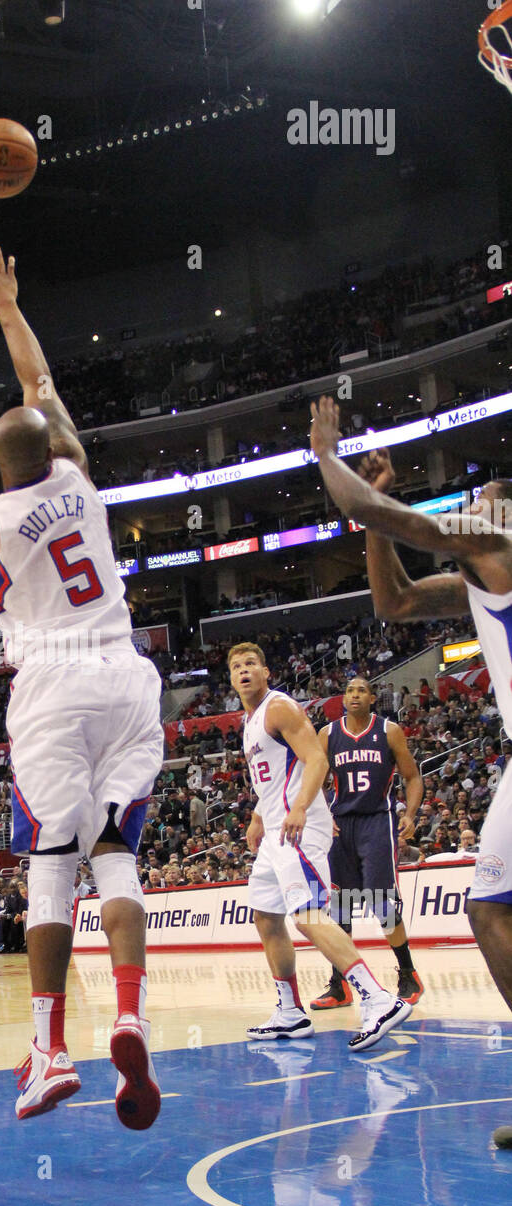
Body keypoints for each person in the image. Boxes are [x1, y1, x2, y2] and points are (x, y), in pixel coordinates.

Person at [0, 244, 165, 1129]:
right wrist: (7, 307)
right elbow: (39, 386)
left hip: (56, 690)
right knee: (114, 853)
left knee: (46, 865)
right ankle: (130, 1012)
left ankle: (48, 1049)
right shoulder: (75, 471)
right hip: (128, 678)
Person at [311, 395, 512, 1147]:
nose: (472, 506)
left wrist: (329, 459)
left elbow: (403, 523)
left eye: (482, 499)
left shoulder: (498, 545)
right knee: (488, 911)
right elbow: (392, 602)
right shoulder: (486, 576)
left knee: (491, 912)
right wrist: (373, 515)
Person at [229, 642, 411, 1052]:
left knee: (308, 914)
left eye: (252, 664)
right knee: (266, 916)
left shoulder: (279, 707)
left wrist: (299, 808)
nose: (244, 671)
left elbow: (316, 760)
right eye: (237, 666)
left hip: (298, 825)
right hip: (274, 827)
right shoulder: (250, 721)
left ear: (266, 672)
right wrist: (259, 816)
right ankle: (290, 1012)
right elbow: (271, 779)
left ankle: (377, 997)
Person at [312, 676, 424, 1009]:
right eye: (349, 690)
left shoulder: (389, 731)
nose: (355, 695)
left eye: (361, 690)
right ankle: (340, 985)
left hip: (377, 820)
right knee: (340, 908)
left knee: (382, 903)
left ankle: (407, 973)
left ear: (372, 698)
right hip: (340, 824)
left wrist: (411, 813)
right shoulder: (327, 734)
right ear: (343, 698)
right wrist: (321, 813)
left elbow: (413, 776)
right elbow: (314, 779)